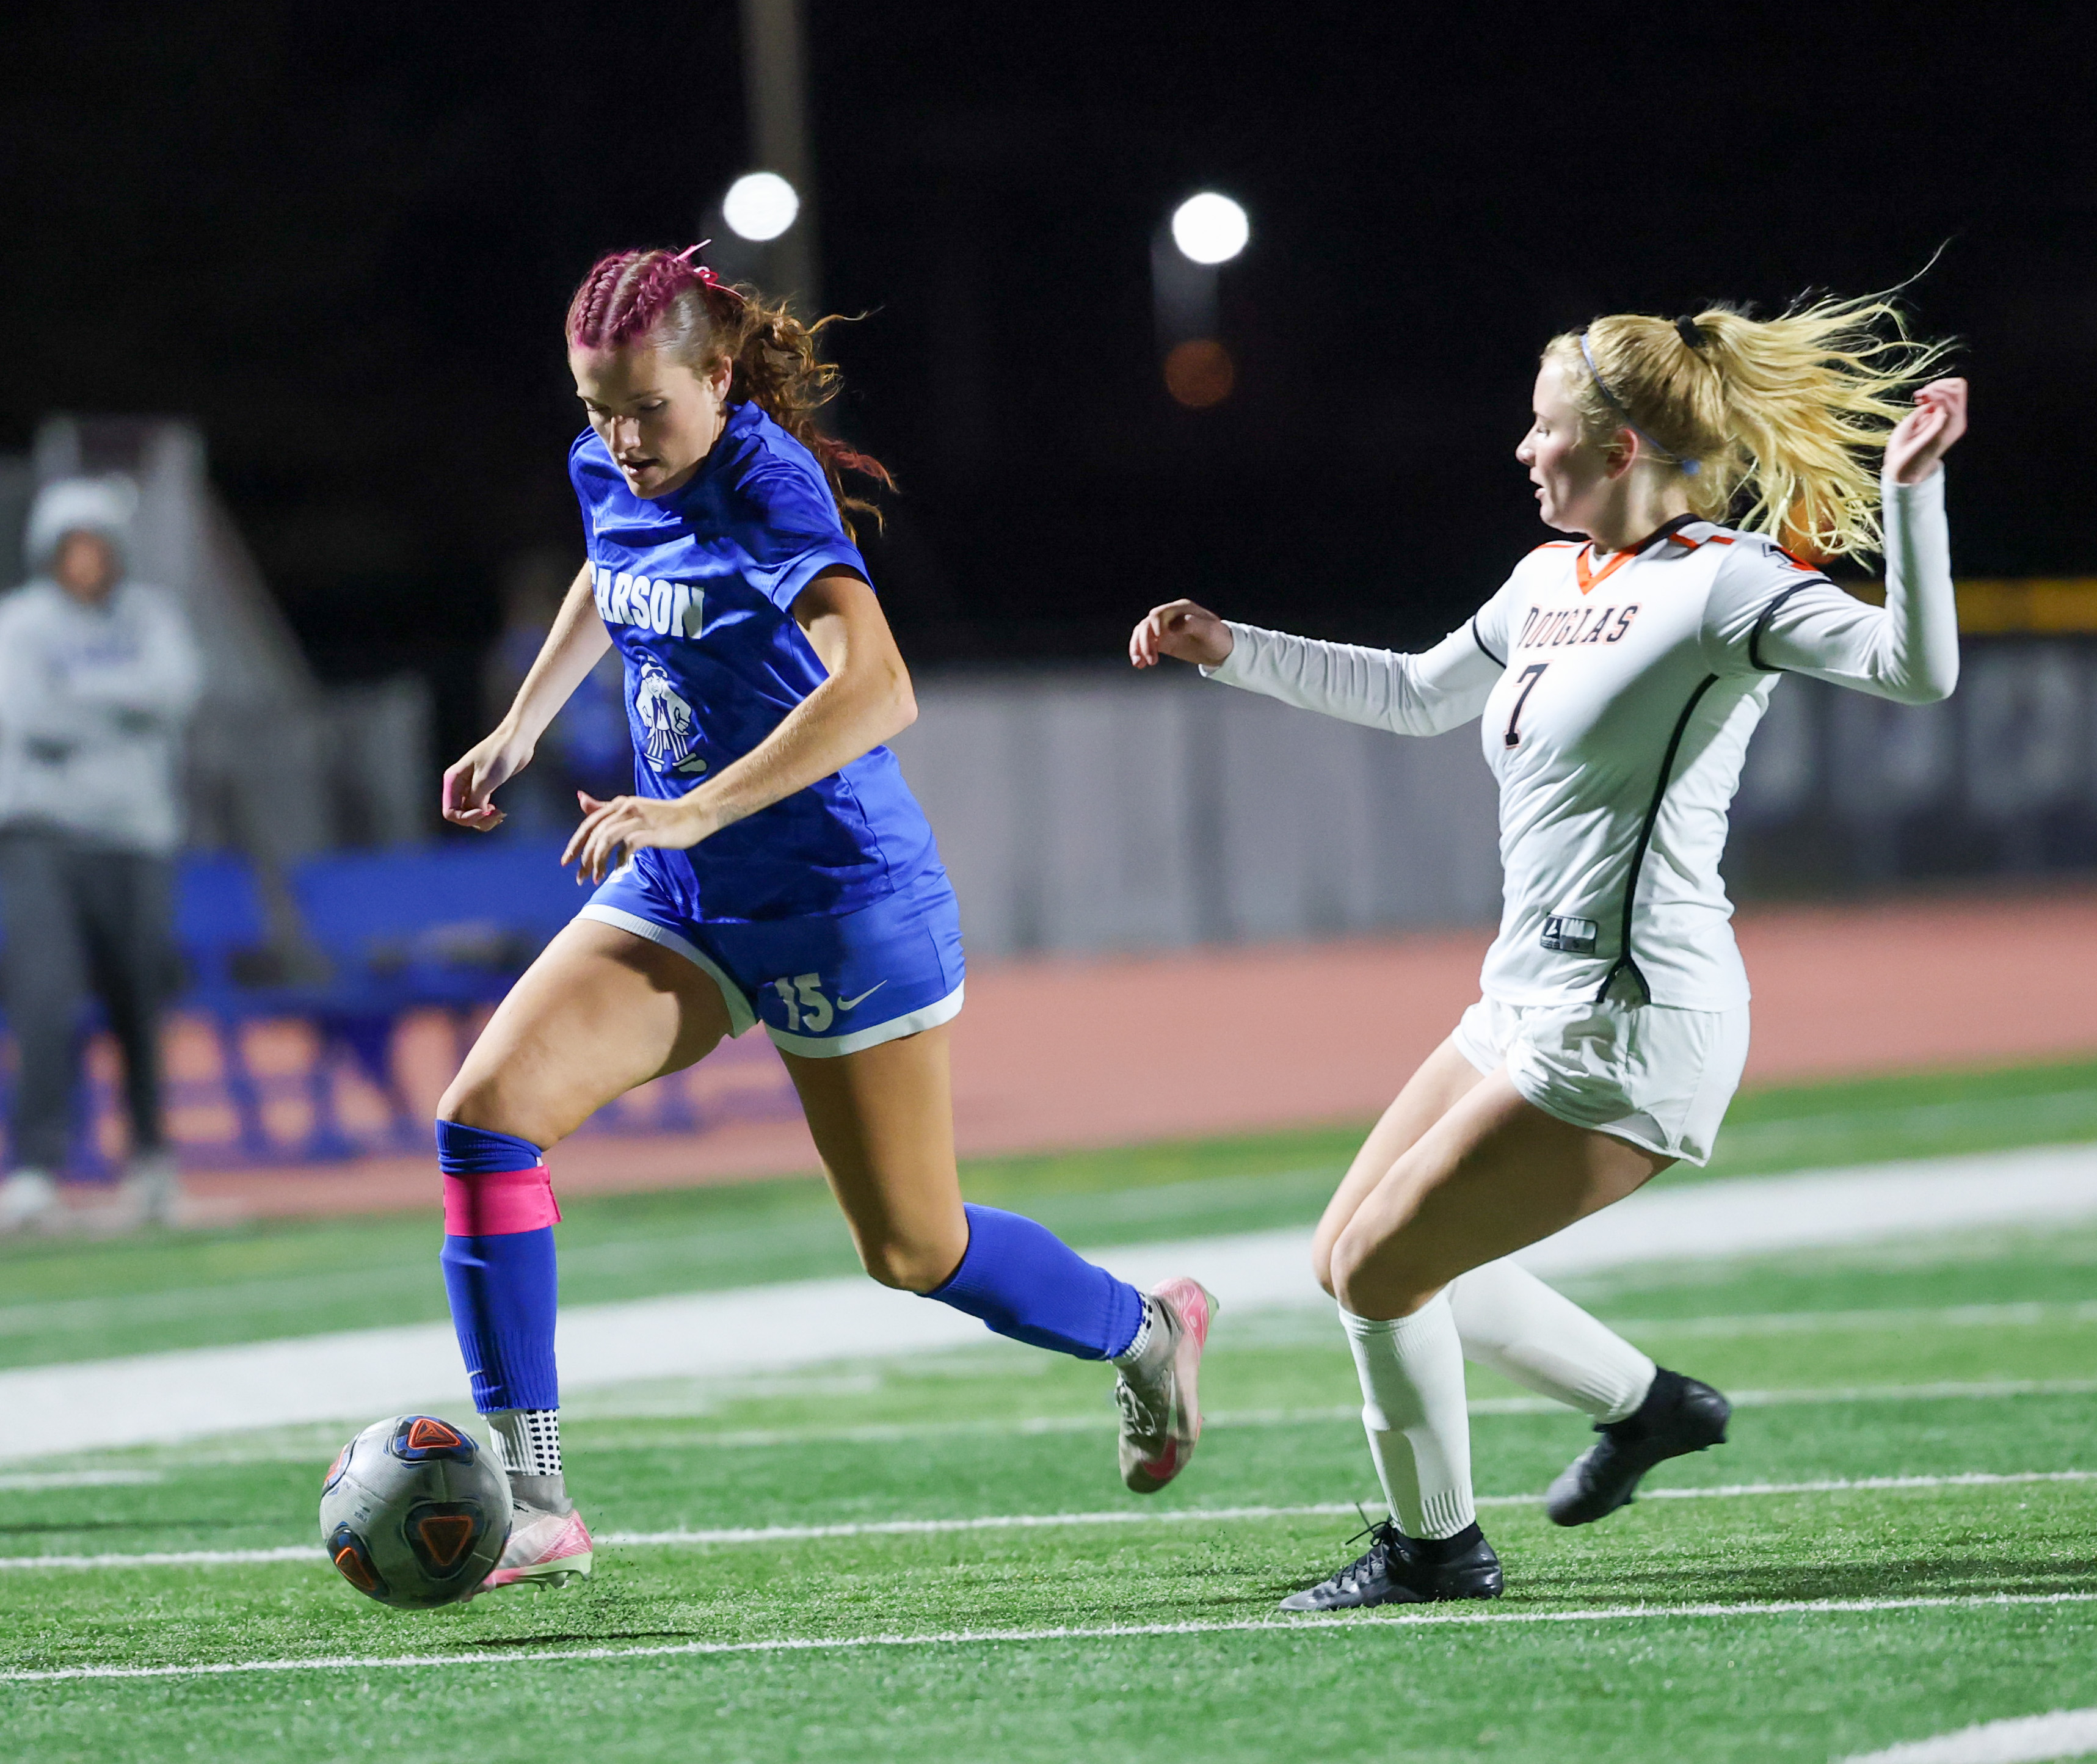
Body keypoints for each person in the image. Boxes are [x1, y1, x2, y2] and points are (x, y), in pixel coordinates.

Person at [1130, 294, 1965, 1608]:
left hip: (1633, 1021)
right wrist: (1231, 649)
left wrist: (1911, 498)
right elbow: (1414, 694)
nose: (1525, 450)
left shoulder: (1722, 583)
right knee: (1350, 1249)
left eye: (1546, 428)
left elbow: (1912, 671)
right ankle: (1649, 1408)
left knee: (1377, 1272)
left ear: (1622, 445)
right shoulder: (1544, 581)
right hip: (1517, 1000)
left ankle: (1436, 1552)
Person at [439, 246, 1216, 1594]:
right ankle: (537, 1496)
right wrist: (522, 727)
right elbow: (606, 570)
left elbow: (881, 686)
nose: (621, 441)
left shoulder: (765, 478)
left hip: (832, 897)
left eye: (646, 409)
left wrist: (685, 808)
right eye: (593, 408)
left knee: (915, 1249)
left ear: (716, 375)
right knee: (484, 1117)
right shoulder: (612, 466)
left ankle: (1144, 1329)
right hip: (688, 897)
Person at [0, 476, 204, 1232]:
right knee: (44, 1002)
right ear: (49, 553)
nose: (86, 560)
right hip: (41, 839)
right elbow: (32, 715)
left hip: (137, 839)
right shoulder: (19, 624)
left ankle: (151, 1160)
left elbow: (177, 690)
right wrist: (125, 703)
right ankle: (35, 1171)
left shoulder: (153, 617)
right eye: (71, 546)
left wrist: (84, 692)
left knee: (138, 1004)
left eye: (98, 545)